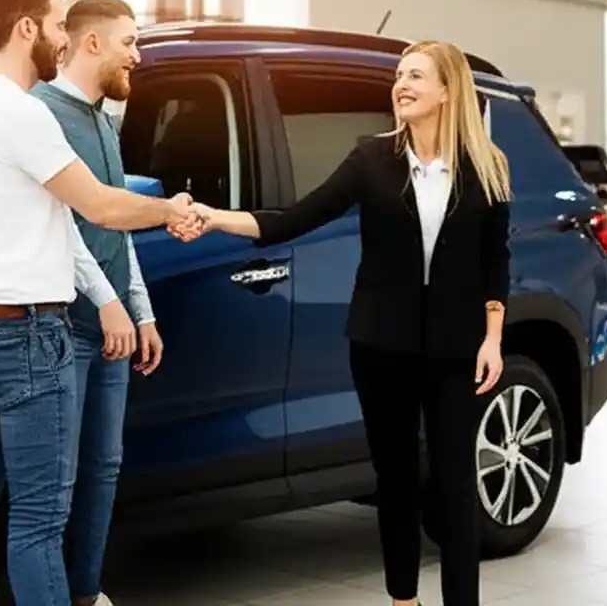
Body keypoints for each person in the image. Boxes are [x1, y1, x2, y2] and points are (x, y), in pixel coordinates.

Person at [179, 41, 510, 606]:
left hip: (456, 346)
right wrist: (215, 219)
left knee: (456, 485)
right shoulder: (371, 158)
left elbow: (494, 260)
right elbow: (295, 219)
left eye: (416, 76)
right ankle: (403, 600)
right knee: (396, 479)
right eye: (399, 75)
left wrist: (493, 339)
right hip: (382, 345)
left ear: (447, 90)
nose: (401, 85)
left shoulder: (488, 166)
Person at [0, 0, 200, 606]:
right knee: (38, 520)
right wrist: (170, 209)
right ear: (27, 28)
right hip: (27, 337)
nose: (63, 38)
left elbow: (57, 221)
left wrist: (112, 299)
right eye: (59, 25)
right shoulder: (21, 112)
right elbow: (101, 207)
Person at [30, 0, 160, 606]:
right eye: (129, 42)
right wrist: (109, 304)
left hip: (113, 329)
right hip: (62, 327)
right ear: (91, 43)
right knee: (55, 482)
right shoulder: (40, 114)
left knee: (103, 466)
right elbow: (63, 225)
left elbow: (115, 223)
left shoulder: (105, 122)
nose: (137, 56)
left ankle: (86, 593)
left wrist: (141, 310)